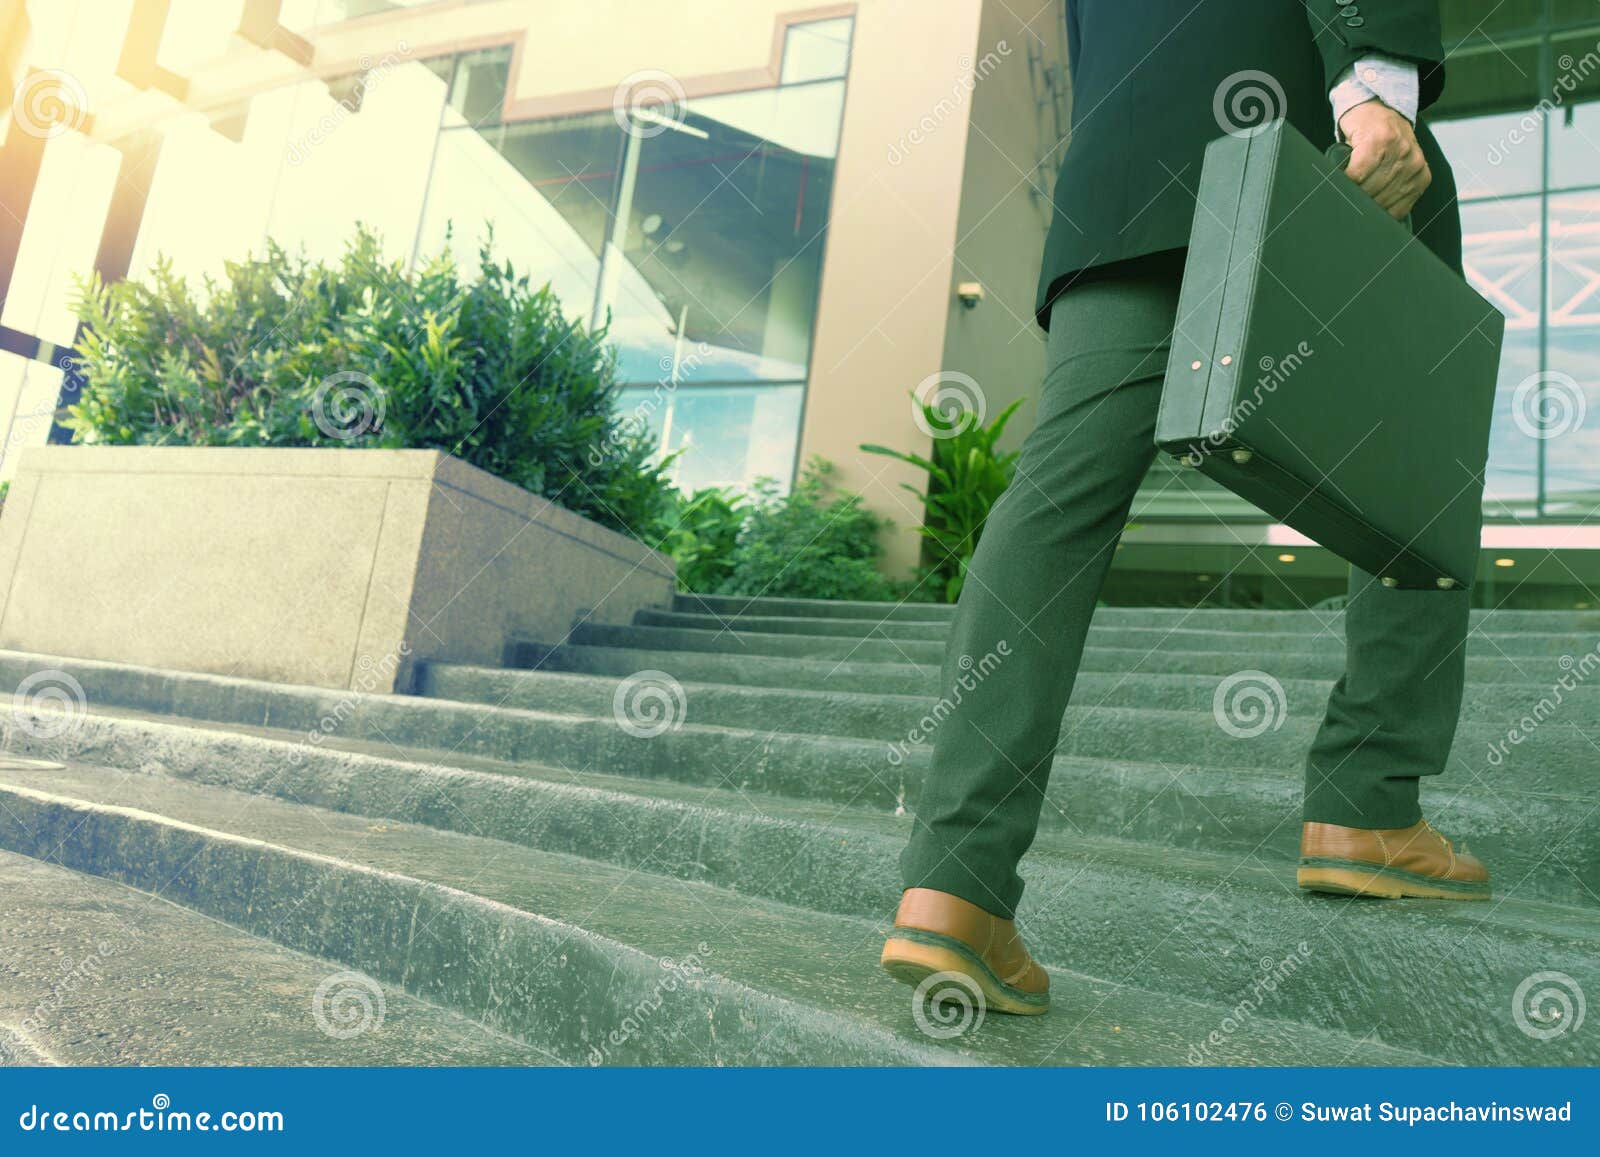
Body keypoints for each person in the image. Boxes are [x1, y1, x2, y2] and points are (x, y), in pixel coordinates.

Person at [880, 0, 1487, 1017]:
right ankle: (1367, 802)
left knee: (1055, 497)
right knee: (1418, 460)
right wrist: (1373, 83)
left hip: (1130, 155)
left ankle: (955, 879)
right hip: (1309, 131)